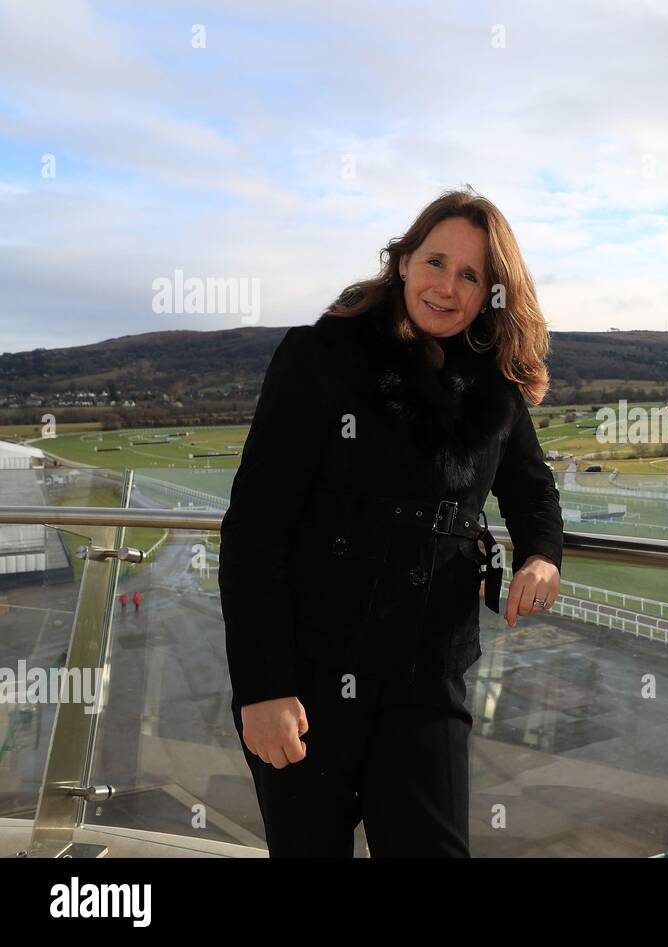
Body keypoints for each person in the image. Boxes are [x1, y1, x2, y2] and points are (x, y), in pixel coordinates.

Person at [218, 187, 564, 857]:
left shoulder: (494, 385)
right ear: (402, 262)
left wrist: (541, 554)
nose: (447, 286)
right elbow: (256, 526)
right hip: (309, 675)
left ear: (491, 292)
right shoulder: (320, 357)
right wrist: (264, 688)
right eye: (436, 262)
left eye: (471, 275)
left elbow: (532, 489)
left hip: (427, 675)